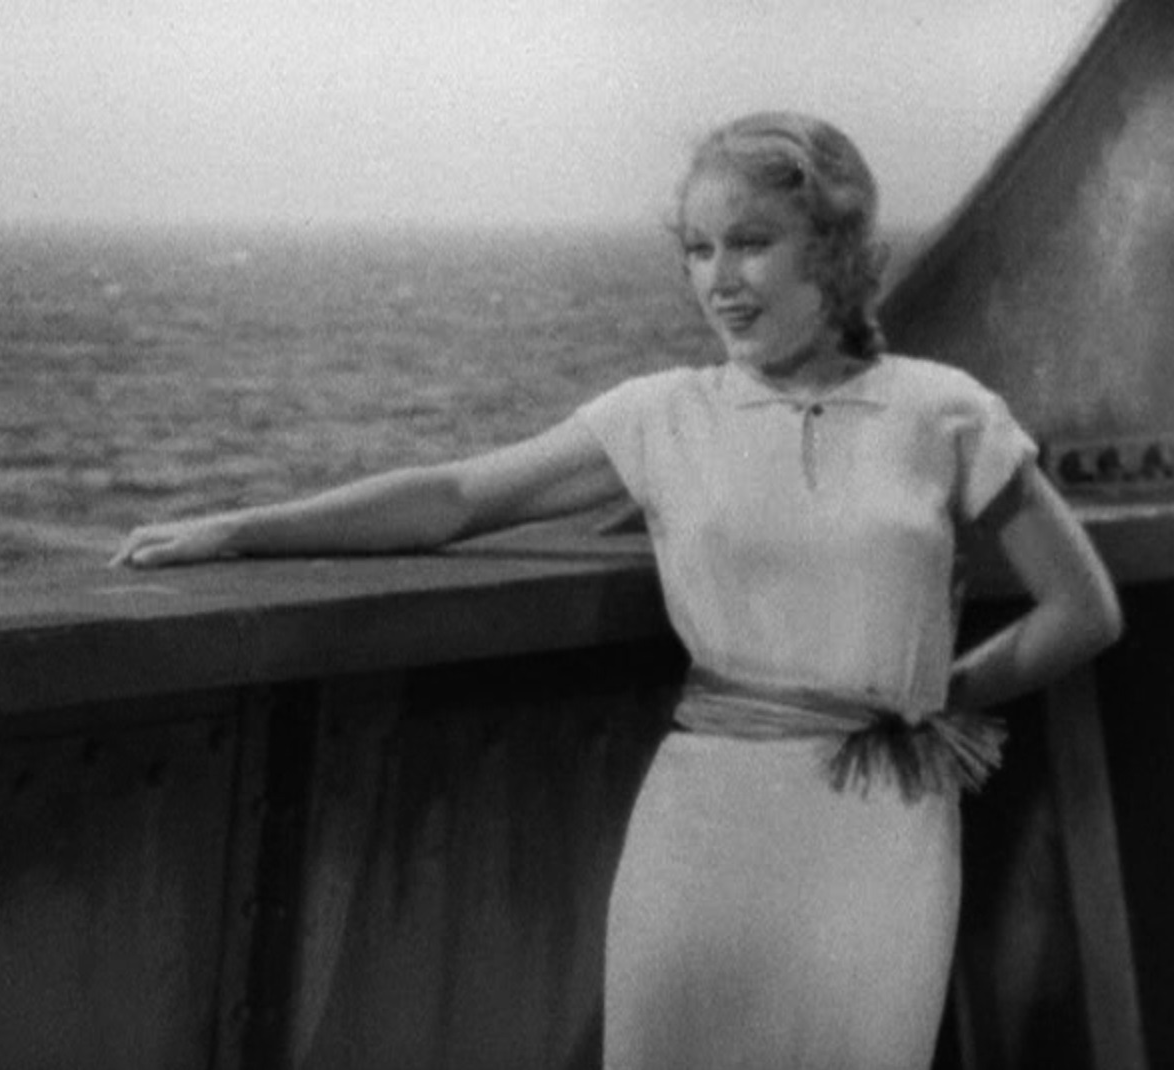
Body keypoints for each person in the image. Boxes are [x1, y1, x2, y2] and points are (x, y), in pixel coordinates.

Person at [112, 112, 1122, 1069]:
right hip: (705, 824)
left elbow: (1082, 609)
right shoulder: (661, 416)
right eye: (697, 249)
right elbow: (454, 498)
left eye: (750, 243)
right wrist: (241, 528)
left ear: (835, 248)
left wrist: (927, 706)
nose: (719, 280)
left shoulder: (945, 412)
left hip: (885, 829)